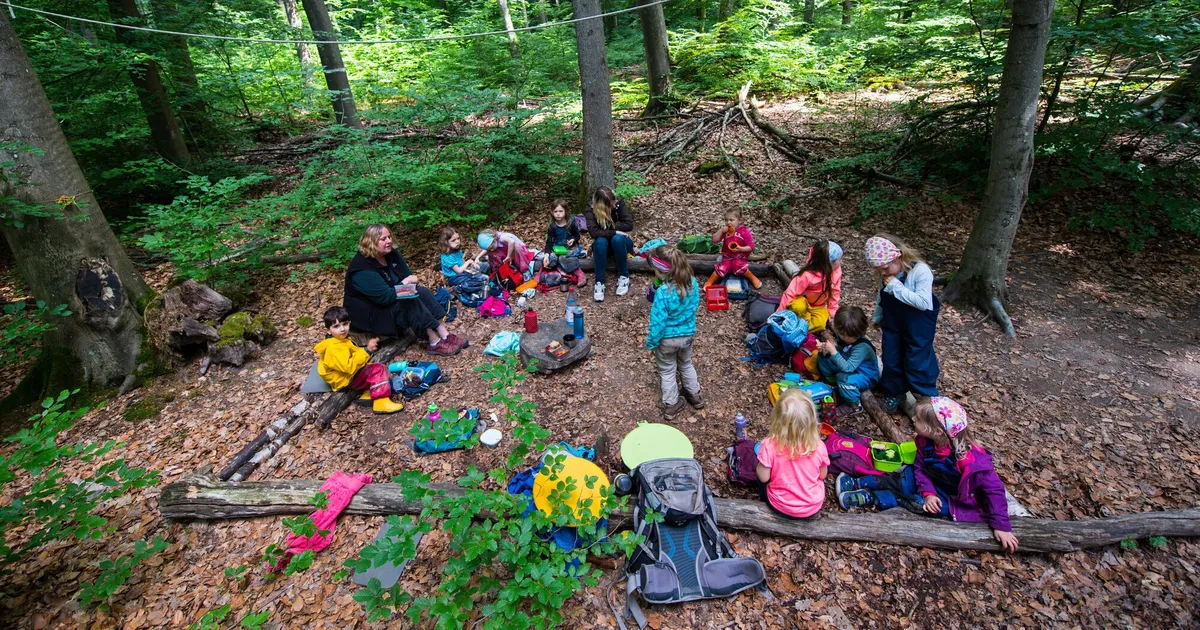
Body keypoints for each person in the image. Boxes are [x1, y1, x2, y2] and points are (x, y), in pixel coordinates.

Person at [836, 397, 1019, 552]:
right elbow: (920, 467)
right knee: (905, 477)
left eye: (918, 419)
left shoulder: (972, 461)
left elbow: (994, 491)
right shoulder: (925, 441)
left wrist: (1001, 525)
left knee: (918, 504)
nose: (913, 419)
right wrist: (928, 491)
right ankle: (863, 482)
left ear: (937, 431)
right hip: (931, 484)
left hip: (952, 499)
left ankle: (873, 497)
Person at [343, 224, 465, 356]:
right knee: (408, 300)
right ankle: (433, 342)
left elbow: (408, 276)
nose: (389, 241)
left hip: (390, 297)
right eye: (383, 239)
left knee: (421, 291)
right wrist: (405, 283)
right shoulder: (362, 269)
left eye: (389, 237)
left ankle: (444, 334)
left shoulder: (390, 254)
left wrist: (408, 284)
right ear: (370, 242)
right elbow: (385, 297)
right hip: (371, 314)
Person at [865, 234, 939, 412]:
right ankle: (895, 392)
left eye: (885, 268)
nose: (883, 273)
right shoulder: (888, 276)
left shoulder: (920, 272)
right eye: (879, 270)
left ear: (897, 257)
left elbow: (923, 302)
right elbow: (881, 297)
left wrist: (896, 286)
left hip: (918, 326)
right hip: (893, 324)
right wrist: (878, 316)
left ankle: (925, 398)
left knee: (917, 360)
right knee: (892, 358)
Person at [645, 246, 704, 421]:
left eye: (655, 270)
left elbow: (658, 322)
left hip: (667, 340)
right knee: (686, 364)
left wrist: (652, 343)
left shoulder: (663, 293)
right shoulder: (692, 283)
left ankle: (671, 405)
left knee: (668, 371)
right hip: (687, 336)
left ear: (663, 272)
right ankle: (696, 396)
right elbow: (695, 306)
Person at [314, 306, 405, 414]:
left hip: (346, 376)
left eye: (345, 324)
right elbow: (348, 367)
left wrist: (365, 353)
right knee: (377, 370)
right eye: (336, 326)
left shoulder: (340, 340)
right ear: (328, 331)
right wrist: (366, 351)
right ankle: (381, 401)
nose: (342, 329)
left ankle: (368, 394)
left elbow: (354, 354)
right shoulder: (333, 348)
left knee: (372, 367)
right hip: (345, 379)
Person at [755, 388, 829, 520]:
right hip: (812, 507)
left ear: (777, 419)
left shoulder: (769, 445)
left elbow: (763, 477)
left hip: (780, 506)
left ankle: (762, 500)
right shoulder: (818, 446)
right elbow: (822, 475)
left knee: (761, 471)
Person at [816, 306, 879, 409]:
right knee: (823, 358)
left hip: (864, 375)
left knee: (843, 379)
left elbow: (848, 368)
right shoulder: (846, 337)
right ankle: (834, 385)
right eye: (841, 334)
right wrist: (825, 348)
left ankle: (854, 405)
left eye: (846, 336)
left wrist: (833, 351)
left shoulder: (862, 347)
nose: (842, 337)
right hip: (848, 365)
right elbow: (842, 349)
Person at [776, 240, 842, 334]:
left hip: (818, 306)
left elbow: (835, 292)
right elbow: (790, 293)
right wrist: (780, 315)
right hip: (803, 302)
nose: (841, 262)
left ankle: (798, 328)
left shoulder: (836, 272)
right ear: (828, 264)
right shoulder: (807, 275)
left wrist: (832, 312)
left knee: (821, 322)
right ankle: (795, 324)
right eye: (839, 260)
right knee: (797, 307)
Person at [584, 186, 635, 302]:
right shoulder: (591, 208)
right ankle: (599, 282)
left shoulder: (619, 204)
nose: (614, 205)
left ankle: (624, 277)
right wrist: (614, 231)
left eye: (614, 202)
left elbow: (628, 224)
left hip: (622, 243)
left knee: (617, 239)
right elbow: (594, 232)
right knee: (600, 241)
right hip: (604, 246)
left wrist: (607, 229)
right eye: (610, 204)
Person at [705, 208, 761, 290]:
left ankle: (753, 278)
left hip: (740, 256)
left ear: (739, 221)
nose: (728, 222)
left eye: (731, 220)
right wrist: (721, 231)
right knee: (723, 267)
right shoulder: (726, 231)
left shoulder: (744, 232)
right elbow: (714, 240)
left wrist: (741, 249)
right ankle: (709, 282)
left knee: (738, 265)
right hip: (727, 256)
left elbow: (751, 247)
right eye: (726, 220)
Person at [542, 199, 583, 268]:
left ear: (565, 211)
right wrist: (546, 255)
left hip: (569, 249)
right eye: (555, 211)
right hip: (557, 249)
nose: (558, 214)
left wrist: (573, 240)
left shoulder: (571, 223)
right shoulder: (552, 226)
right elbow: (549, 242)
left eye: (560, 211)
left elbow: (577, 236)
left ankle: (568, 263)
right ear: (552, 212)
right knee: (551, 260)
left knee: (563, 259)